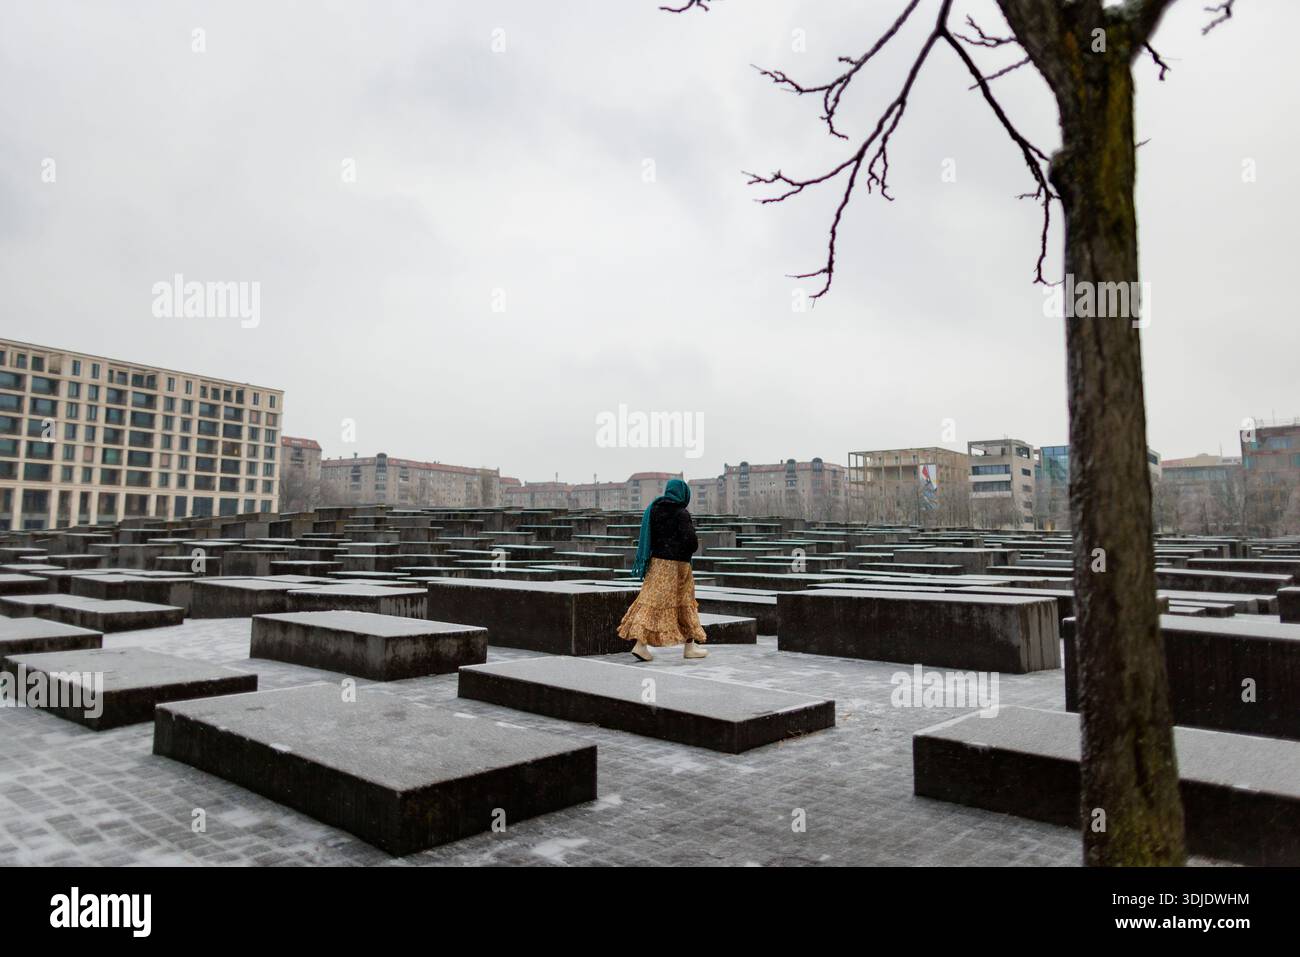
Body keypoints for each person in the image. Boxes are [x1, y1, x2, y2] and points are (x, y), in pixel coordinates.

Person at [617, 477, 708, 661]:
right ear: (682, 493)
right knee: (684, 604)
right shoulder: (681, 513)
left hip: (657, 563)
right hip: (678, 567)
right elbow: (691, 541)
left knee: (653, 602)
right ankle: (683, 647)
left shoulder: (655, 509)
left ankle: (650, 644)